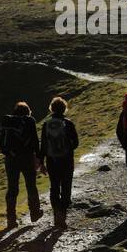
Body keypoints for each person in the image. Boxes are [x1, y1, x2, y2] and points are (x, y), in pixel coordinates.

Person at [0, 101, 42, 229]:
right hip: (26, 158)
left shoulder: (8, 121)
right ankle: (35, 212)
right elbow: (35, 141)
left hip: (10, 159)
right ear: (28, 111)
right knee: (31, 185)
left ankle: (11, 220)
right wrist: (39, 158)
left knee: (12, 188)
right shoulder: (30, 121)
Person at [39, 96, 79, 230]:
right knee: (66, 186)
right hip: (67, 160)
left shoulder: (46, 124)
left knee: (54, 186)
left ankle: (57, 213)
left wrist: (41, 162)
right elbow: (76, 143)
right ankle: (63, 211)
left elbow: (43, 145)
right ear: (64, 108)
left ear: (51, 108)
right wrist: (67, 149)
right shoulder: (68, 123)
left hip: (52, 160)